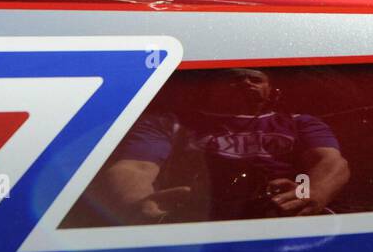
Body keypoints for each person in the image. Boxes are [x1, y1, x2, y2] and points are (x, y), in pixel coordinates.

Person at [80, 68, 350, 225]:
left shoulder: (299, 123)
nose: (244, 82)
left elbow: (330, 163)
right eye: (233, 77)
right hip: (197, 220)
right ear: (214, 86)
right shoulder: (170, 123)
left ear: (271, 89)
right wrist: (137, 203)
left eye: (254, 79)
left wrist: (308, 192)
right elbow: (135, 166)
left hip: (281, 220)